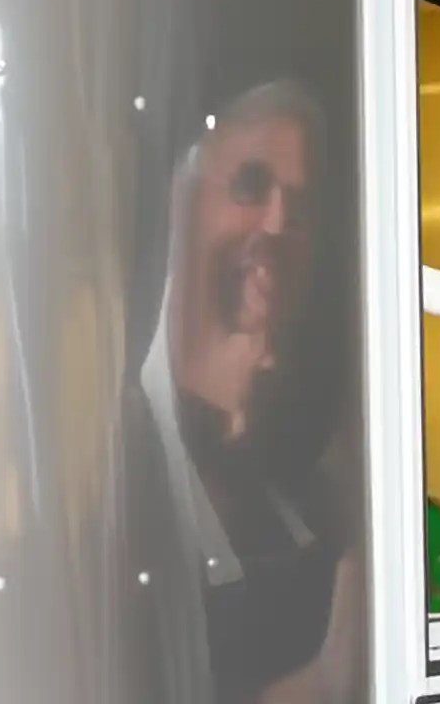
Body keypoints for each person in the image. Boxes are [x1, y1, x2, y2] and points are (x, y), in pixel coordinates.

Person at [127, 80, 364, 703]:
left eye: (301, 206)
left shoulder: (306, 466)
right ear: (177, 202)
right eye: (249, 186)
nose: (278, 223)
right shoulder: (114, 462)